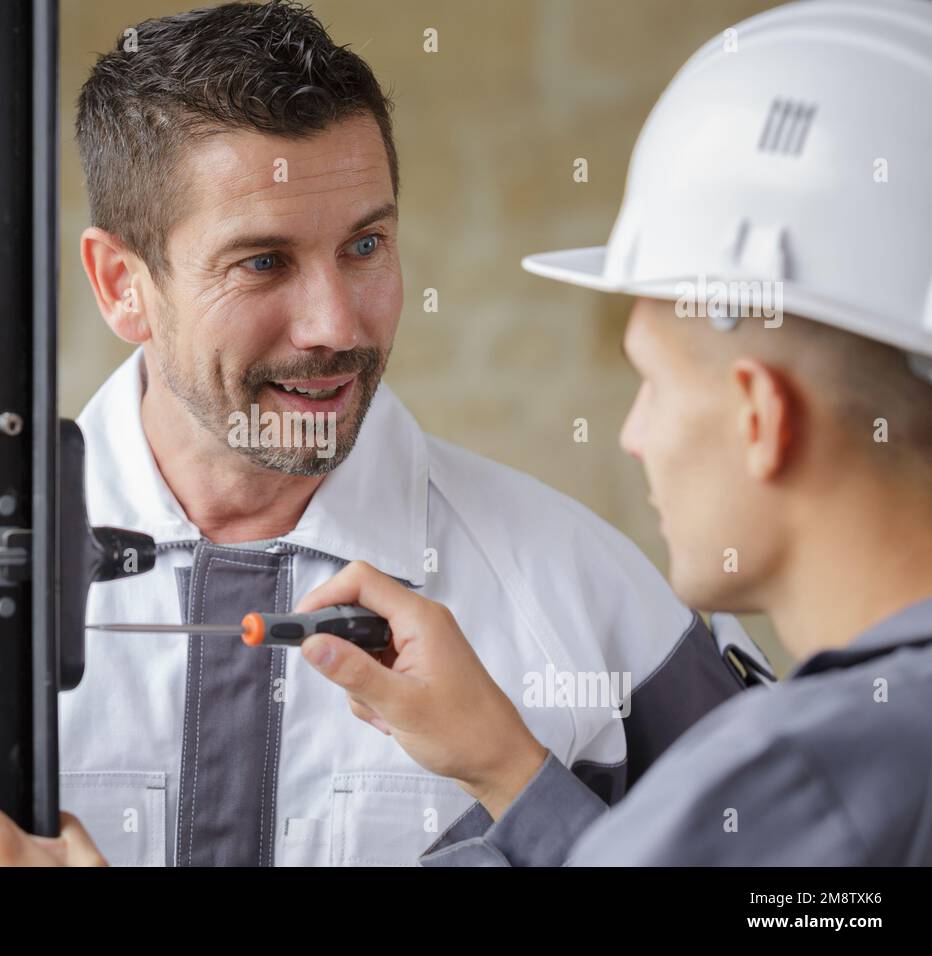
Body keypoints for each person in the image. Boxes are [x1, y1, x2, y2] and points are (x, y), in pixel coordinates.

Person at [0, 0, 763, 868]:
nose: (337, 324)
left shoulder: (596, 603)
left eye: (365, 244)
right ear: (119, 285)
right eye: (262, 263)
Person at [295, 0, 932, 865]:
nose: (633, 435)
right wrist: (510, 773)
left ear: (761, 418)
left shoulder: (784, 784)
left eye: (653, 383)